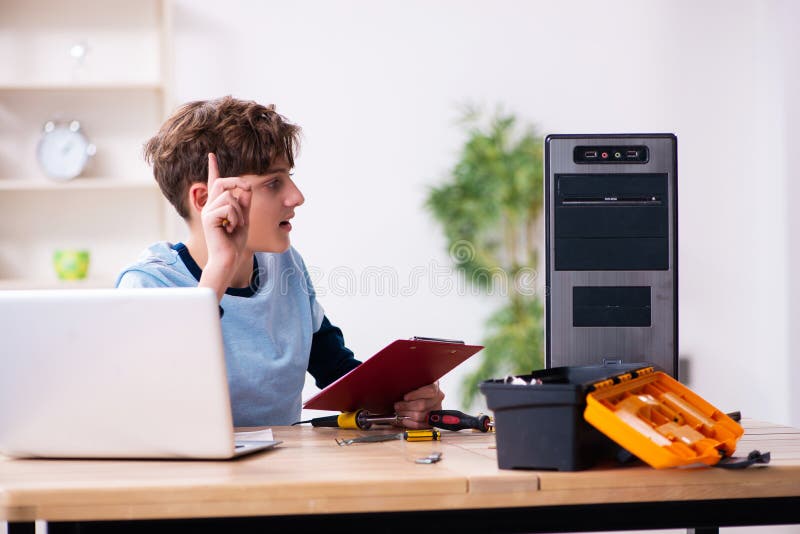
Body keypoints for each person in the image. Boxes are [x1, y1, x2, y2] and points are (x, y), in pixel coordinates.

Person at [115, 96, 443, 428]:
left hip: (280, 471)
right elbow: (152, 402)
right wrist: (221, 265)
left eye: (288, 177)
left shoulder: (284, 264)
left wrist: (403, 402)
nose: (296, 196)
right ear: (205, 199)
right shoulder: (147, 285)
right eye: (273, 182)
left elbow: (337, 371)